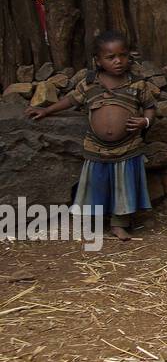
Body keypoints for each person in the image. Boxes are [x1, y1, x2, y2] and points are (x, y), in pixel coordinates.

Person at [25, 30, 155, 241]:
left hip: (128, 146)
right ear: (98, 60)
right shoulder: (90, 84)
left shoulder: (137, 84)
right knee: (97, 184)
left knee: (124, 186)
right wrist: (47, 110)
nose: (118, 61)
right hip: (96, 147)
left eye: (122, 55)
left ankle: (119, 224)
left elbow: (150, 107)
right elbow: (71, 100)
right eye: (110, 57)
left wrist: (145, 121)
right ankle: (93, 222)